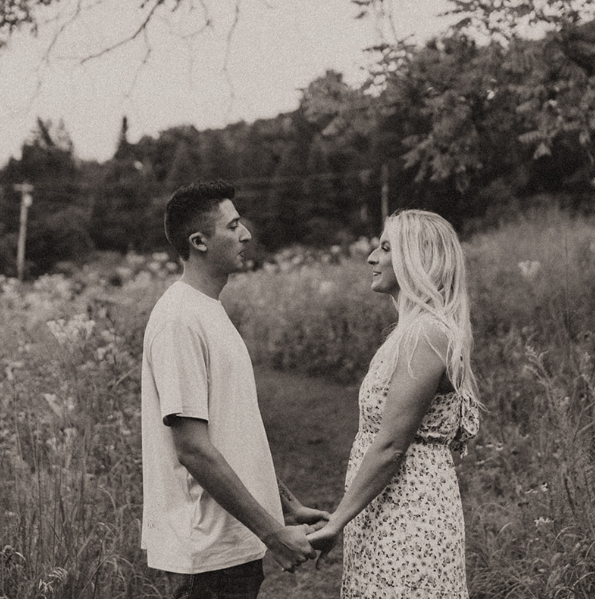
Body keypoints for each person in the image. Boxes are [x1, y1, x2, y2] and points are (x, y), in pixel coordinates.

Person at [141, 180, 328, 599]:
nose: (246, 235)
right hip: (205, 555)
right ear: (199, 241)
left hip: (231, 548)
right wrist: (275, 535)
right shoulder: (179, 320)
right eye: (233, 226)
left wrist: (284, 504)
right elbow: (192, 448)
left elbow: (233, 433)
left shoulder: (209, 311)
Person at [307, 209, 481, 598]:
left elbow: (391, 445)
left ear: (417, 260)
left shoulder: (427, 334)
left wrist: (337, 521)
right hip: (387, 507)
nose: (372, 257)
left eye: (386, 248)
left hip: (410, 515)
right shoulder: (411, 332)